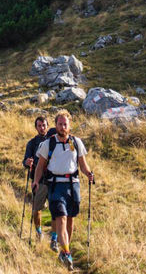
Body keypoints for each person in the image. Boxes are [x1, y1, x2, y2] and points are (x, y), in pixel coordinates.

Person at [30, 109, 95, 269]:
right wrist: (36, 181)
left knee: (70, 220)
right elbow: (40, 166)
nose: (62, 127)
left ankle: (65, 250)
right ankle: (66, 252)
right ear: (55, 125)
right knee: (61, 218)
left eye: (65, 124)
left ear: (69, 125)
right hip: (55, 185)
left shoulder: (77, 142)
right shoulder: (48, 144)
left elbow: (83, 164)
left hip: (73, 185)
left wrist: (89, 174)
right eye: (60, 124)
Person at [21, 114, 58, 249]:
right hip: (39, 180)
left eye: (44, 125)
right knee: (36, 209)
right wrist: (27, 162)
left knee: (55, 210)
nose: (42, 128)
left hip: (54, 179)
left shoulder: (54, 137)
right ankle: (39, 232)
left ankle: (54, 238)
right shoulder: (32, 144)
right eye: (39, 126)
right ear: (36, 128)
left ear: (48, 126)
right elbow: (25, 161)